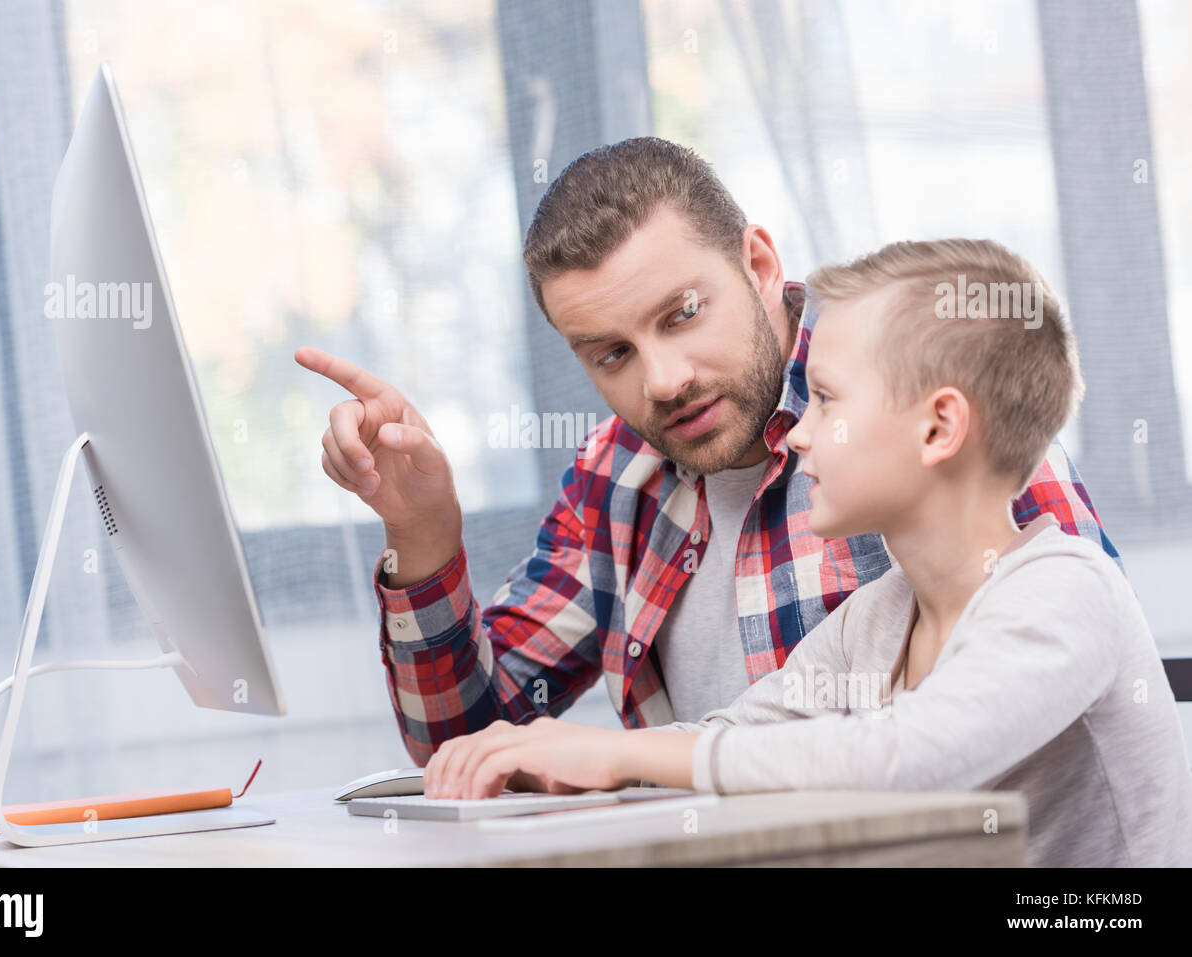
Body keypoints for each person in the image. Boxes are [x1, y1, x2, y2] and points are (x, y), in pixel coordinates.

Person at [294, 137, 1117, 775]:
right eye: (610, 354)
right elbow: (470, 751)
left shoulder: (924, 396)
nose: (663, 381)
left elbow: (945, 744)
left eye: (683, 313)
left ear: (759, 265)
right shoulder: (618, 475)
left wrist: (622, 758)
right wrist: (424, 537)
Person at [417, 237, 1192, 868]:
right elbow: (740, 731)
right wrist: (565, 748)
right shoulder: (878, 618)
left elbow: (907, 756)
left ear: (938, 428)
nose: (798, 429)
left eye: (824, 399)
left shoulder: (1064, 590)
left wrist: (615, 757)